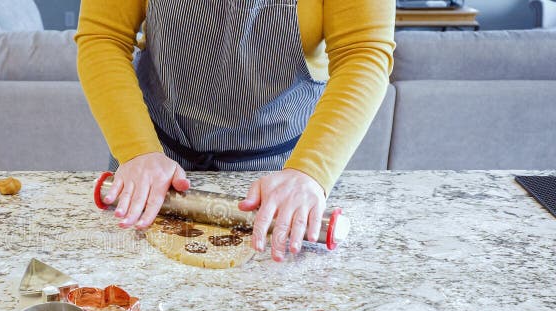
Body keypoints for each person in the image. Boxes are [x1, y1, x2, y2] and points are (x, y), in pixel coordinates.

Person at [75, 0, 395, 261]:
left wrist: (310, 170)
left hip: (283, 178)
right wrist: (136, 150)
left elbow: (362, 54)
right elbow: (104, 37)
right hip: (151, 166)